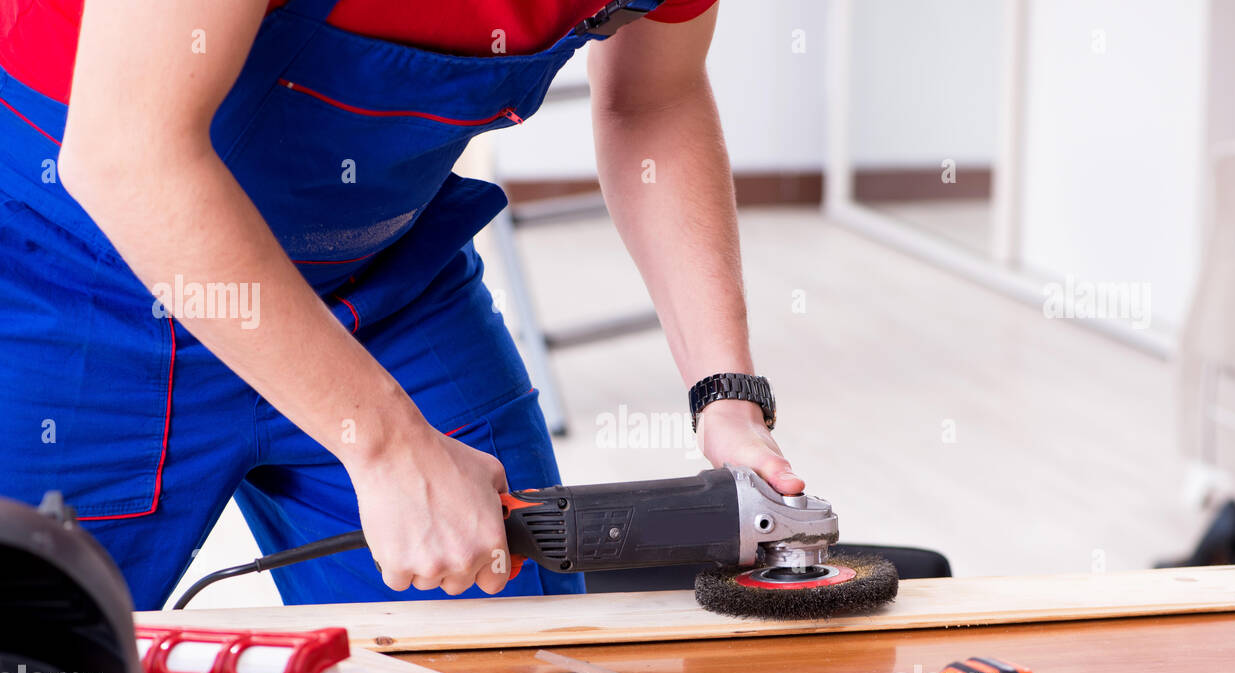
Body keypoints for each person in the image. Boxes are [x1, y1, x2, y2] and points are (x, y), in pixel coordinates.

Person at [0, 0, 804, 609]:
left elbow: (652, 100)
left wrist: (725, 394)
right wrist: (387, 445)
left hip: (382, 286)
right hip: (73, 287)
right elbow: (126, 156)